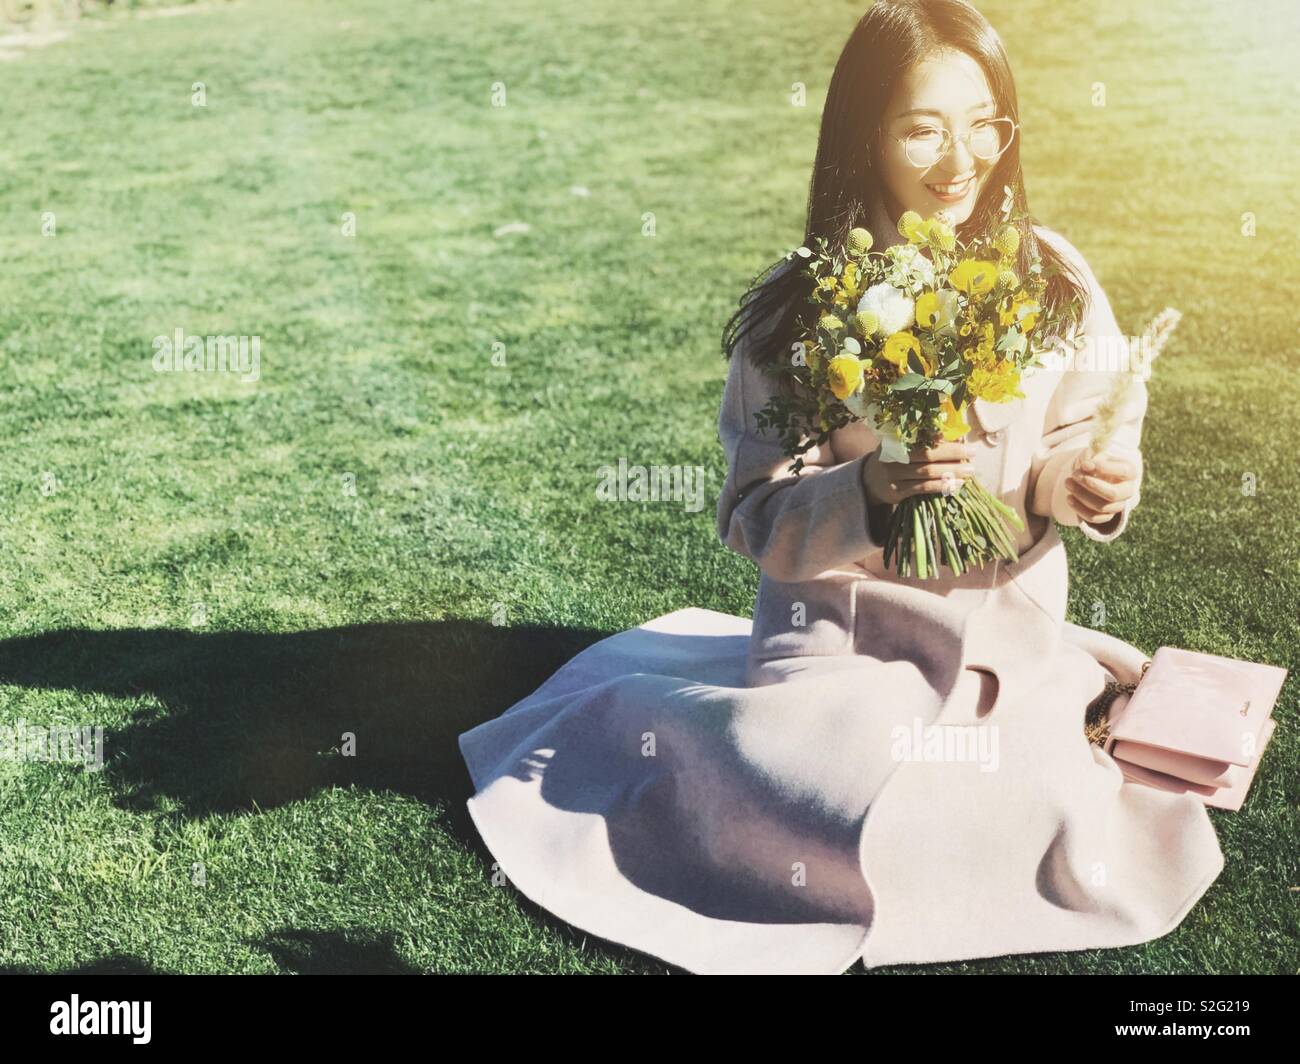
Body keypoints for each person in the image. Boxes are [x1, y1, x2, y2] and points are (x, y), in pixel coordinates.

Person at [457, 0, 1224, 974]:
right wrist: (870, 490)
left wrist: (1085, 479)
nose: (960, 160)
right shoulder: (797, 310)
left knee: (1029, 796)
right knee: (831, 791)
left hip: (1010, 640)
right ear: (864, 132)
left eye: (985, 124)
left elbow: (1076, 437)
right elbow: (756, 513)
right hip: (840, 649)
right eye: (922, 128)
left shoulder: (1052, 275)